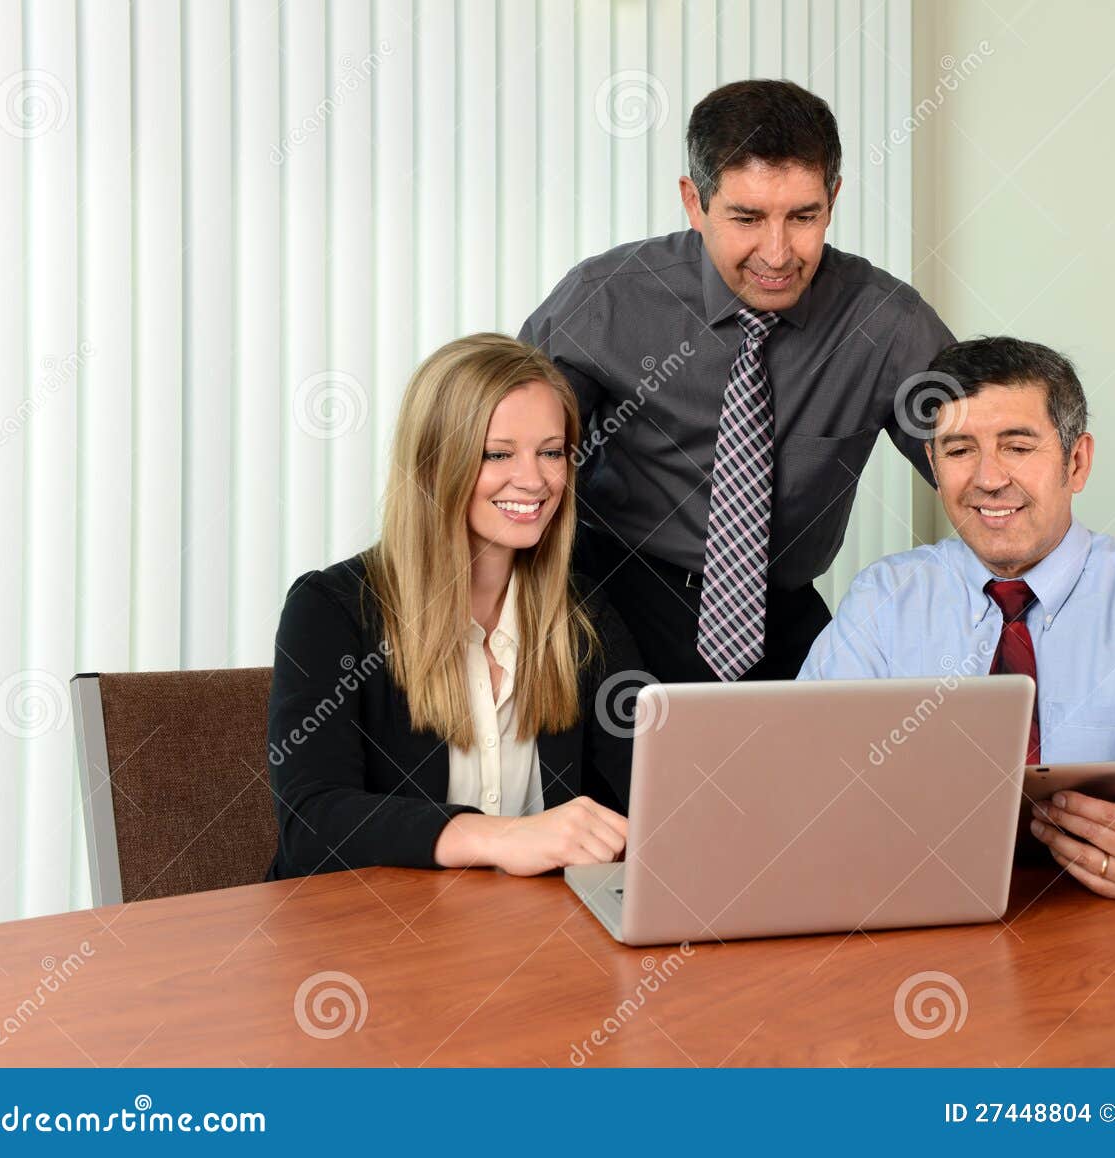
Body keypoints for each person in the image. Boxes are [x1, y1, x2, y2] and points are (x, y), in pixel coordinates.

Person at [798, 336, 1115, 899]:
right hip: (918, 904)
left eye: (1017, 447)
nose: (988, 478)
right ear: (933, 466)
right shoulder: (884, 598)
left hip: (1106, 926)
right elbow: (811, 767)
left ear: (1076, 462)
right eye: (959, 451)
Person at [520, 79, 954, 684]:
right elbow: (504, 457)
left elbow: (982, 471)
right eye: (747, 217)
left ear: (834, 197)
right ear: (694, 202)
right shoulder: (606, 300)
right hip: (609, 598)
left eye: (804, 217)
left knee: (816, 768)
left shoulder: (886, 323)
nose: (777, 254)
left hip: (781, 615)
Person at [266, 335, 645, 880]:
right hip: (364, 942)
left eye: (551, 451)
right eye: (498, 453)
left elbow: (658, 786)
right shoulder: (332, 609)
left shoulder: (582, 614)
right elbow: (312, 824)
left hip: (523, 941)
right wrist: (502, 838)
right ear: (434, 463)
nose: (535, 480)